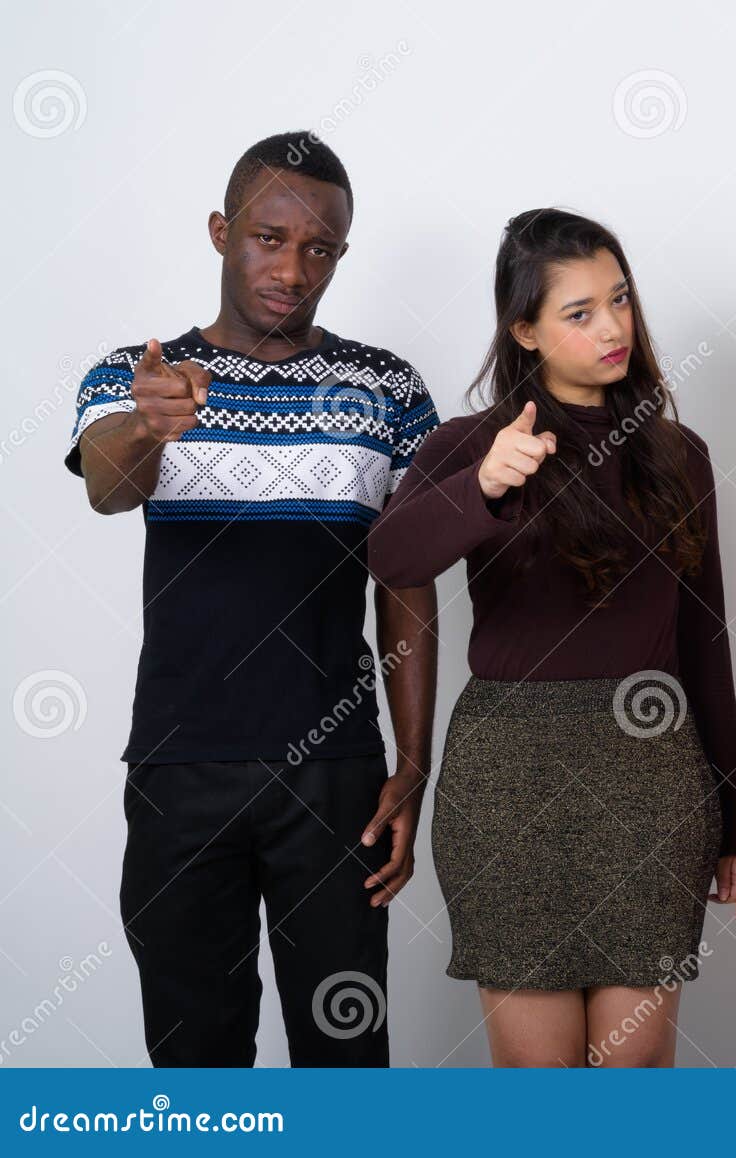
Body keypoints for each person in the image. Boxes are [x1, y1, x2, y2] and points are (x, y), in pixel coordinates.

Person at [65, 132, 440, 1066]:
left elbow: (406, 577)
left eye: (319, 250)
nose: (292, 269)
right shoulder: (136, 377)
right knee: (196, 1058)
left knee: (346, 1059)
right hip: (180, 767)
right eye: (269, 239)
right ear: (222, 232)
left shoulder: (384, 387)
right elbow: (109, 488)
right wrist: (154, 424)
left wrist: (414, 758)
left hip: (335, 773)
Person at [367, 209, 736, 1068]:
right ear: (524, 330)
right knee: (540, 1087)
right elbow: (390, 557)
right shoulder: (468, 446)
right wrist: (484, 487)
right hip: (509, 780)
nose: (613, 327)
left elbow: (706, 639)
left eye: (619, 301)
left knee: (633, 1078)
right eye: (579, 312)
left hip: (652, 773)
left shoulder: (677, 455)